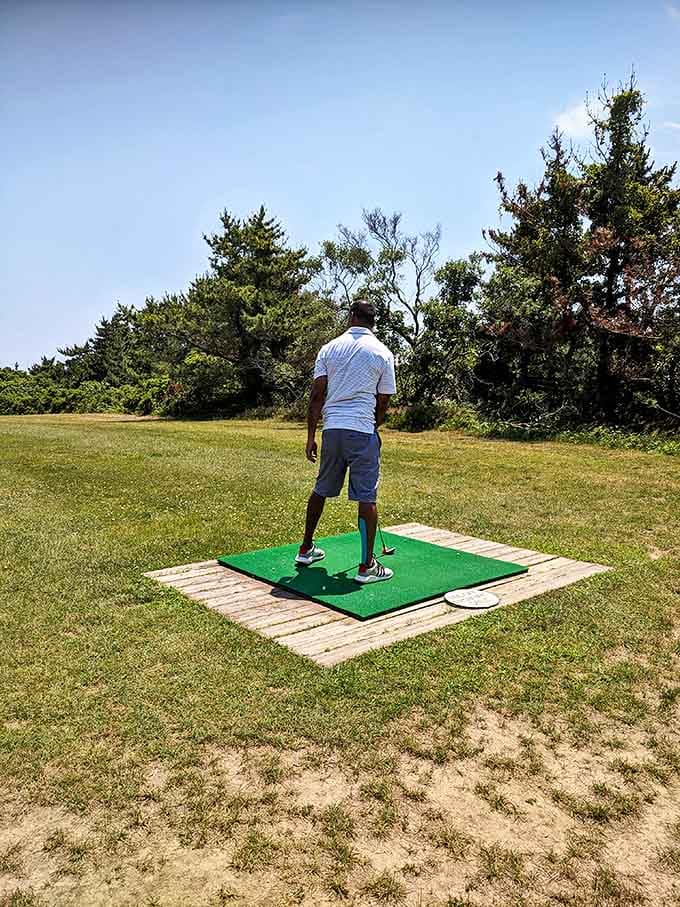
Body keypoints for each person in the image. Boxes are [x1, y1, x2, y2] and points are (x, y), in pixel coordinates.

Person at [296, 300, 397, 584]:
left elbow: (317, 396)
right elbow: (384, 399)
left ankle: (305, 549)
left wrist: (310, 436)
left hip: (333, 431)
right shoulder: (383, 352)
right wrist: (373, 426)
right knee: (366, 497)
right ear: (373, 321)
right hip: (362, 431)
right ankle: (366, 567)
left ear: (351, 316)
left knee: (321, 489)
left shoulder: (329, 348)